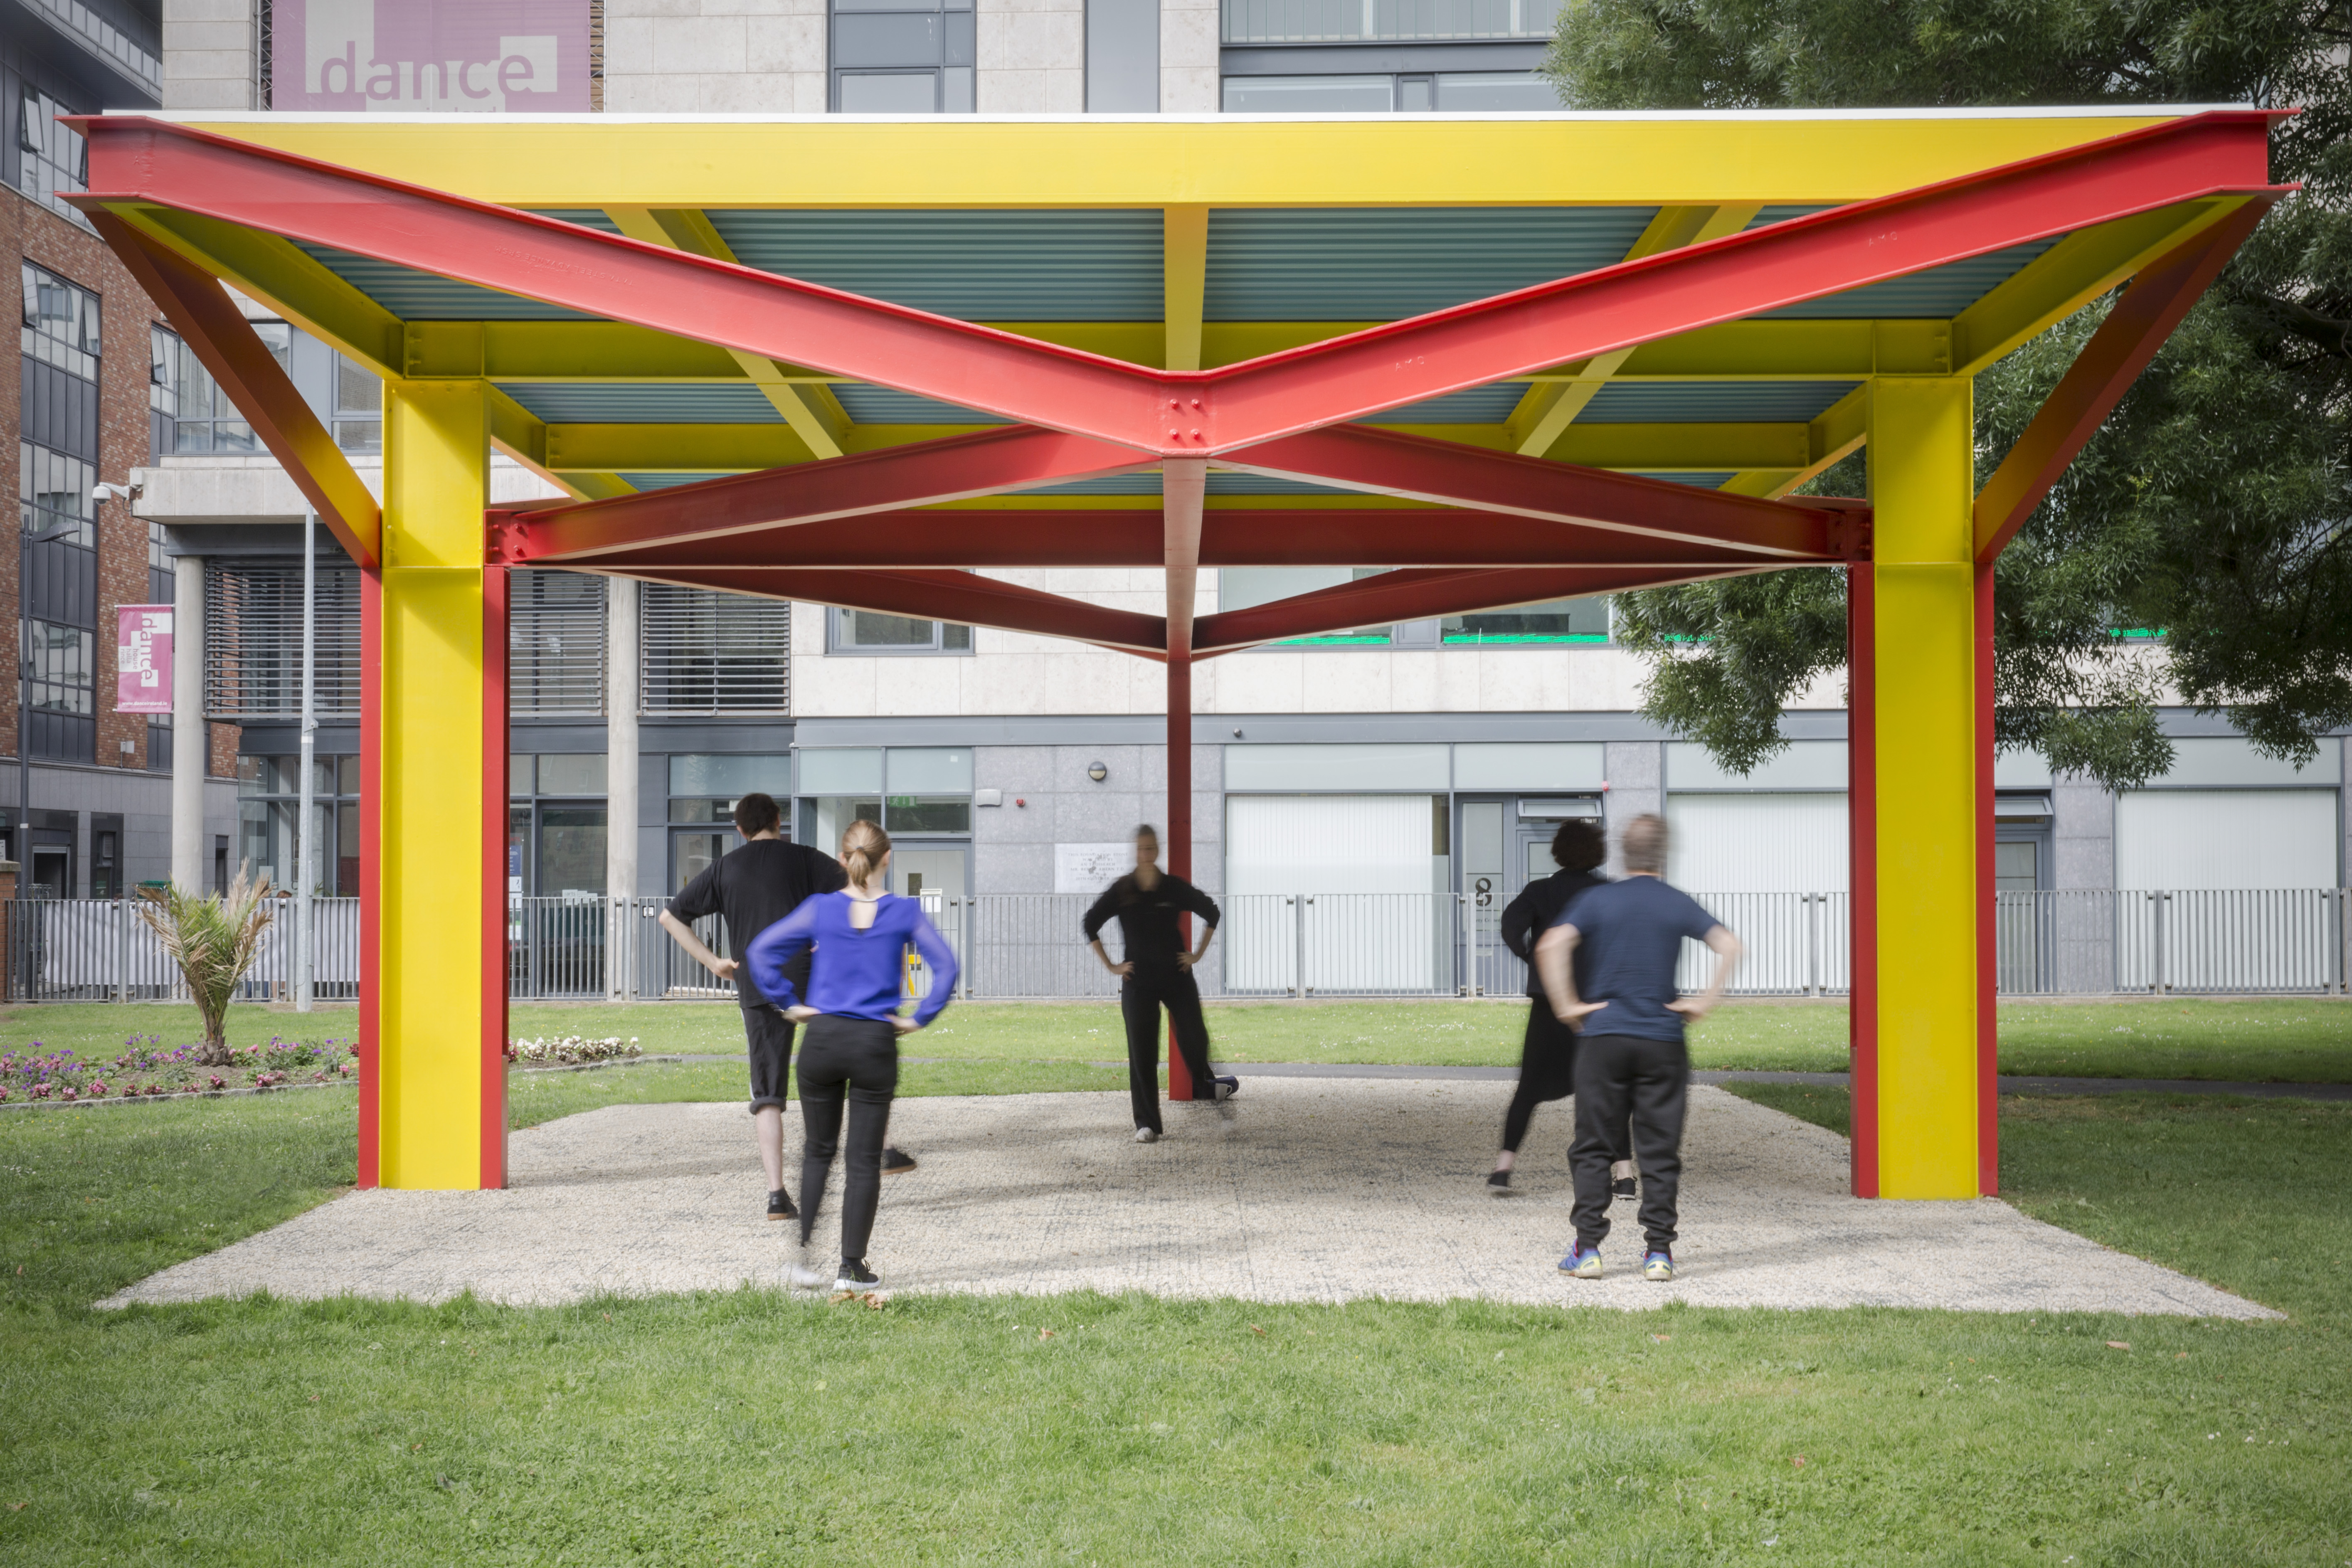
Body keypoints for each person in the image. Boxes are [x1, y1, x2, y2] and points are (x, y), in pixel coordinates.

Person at [659, 793, 915, 1225]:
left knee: (768, 1093)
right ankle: (884, 1151)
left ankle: (778, 1196)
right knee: (851, 1055)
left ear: (739, 830)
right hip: (813, 979)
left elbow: (670, 917)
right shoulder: (804, 859)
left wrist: (714, 962)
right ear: (781, 820)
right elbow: (859, 889)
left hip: (758, 984)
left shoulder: (725, 869)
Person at [747, 819, 959, 1293]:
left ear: (843, 860)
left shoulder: (820, 908)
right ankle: (851, 1267)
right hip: (873, 1044)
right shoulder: (904, 912)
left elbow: (761, 952)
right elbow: (946, 966)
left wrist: (791, 1003)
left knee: (817, 1151)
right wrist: (918, 1017)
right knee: (863, 1160)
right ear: (888, 859)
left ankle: (802, 1260)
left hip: (822, 1040)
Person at [1536, 813, 1742, 1284]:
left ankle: (1588, 1249)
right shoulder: (1676, 902)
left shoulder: (1597, 900)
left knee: (1593, 1144)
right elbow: (1729, 945)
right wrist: (1703, 1002)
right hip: (1663, 1041)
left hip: (1603, 1039)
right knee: (1659, 1149)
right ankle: (1659, 1254)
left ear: (1624, 854)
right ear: (1662, 854)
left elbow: (1550, 947)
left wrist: (1569, 1006)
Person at [1489, 817, 1633, 1199]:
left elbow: (1508, 927)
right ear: (1597, 851)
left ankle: (1503, 1168)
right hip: (1596, 1005)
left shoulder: (1540, 891)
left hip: (1550, 1003)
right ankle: (1625, 1176)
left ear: (1559, 852)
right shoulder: (1609, 893)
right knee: (1610, 1090)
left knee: (1529, 1088)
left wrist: (1533, 959)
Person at [1082, 823, 1236, 1143]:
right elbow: (1091, 923)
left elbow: (1212, 912)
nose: (1147, 854)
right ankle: (1146, 1124)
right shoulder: (1123, 890)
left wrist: (1196, 955)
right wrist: (1112, 966)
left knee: (1195, 1039)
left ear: (1158, 850)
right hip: (1138, 982)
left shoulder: (1173, 888)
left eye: (1151, 848)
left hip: (1177, 978)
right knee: (1142, 1052)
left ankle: (1210, 1093)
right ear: (1136, 852)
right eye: (1142, 849)